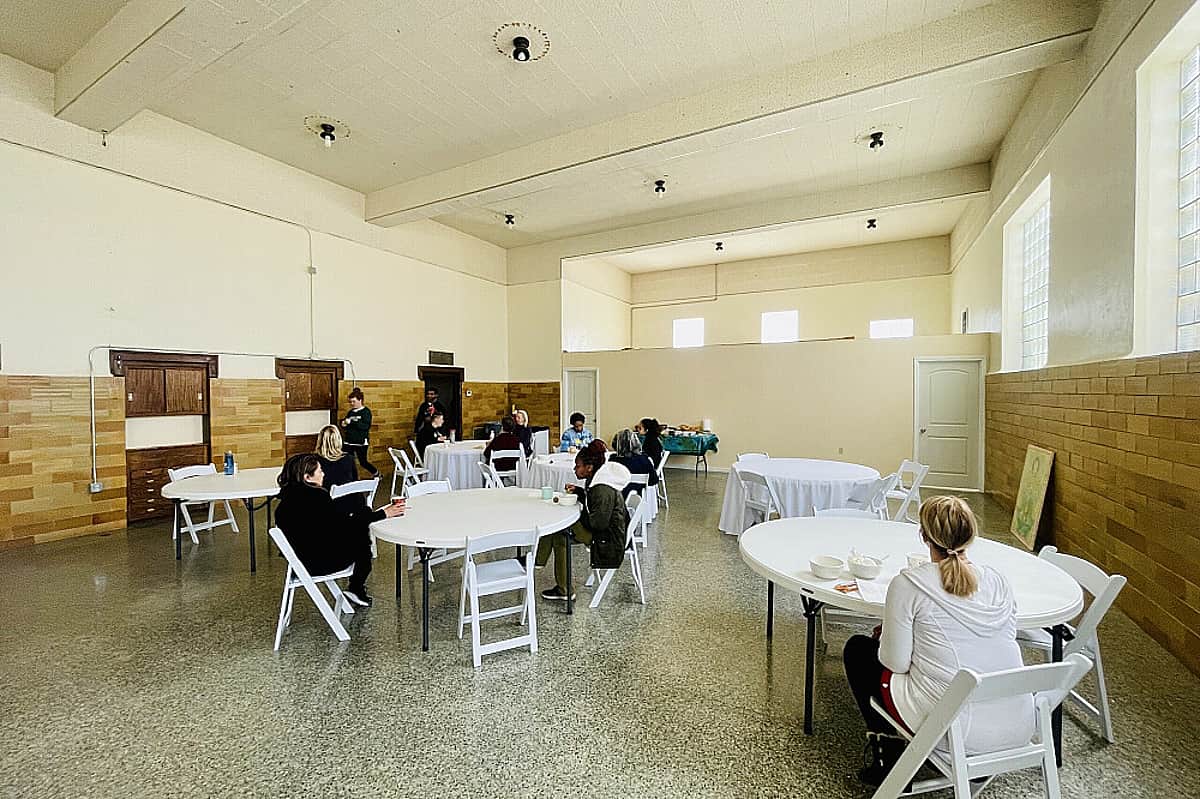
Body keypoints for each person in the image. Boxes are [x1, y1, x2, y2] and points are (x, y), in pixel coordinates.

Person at [842, 496, 1031, 787]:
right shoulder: (998, 581)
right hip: (1016, 725)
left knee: (859, 651)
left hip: (954, 729)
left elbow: (895, 663)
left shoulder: (908, 584)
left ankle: (887, 754)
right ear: (971, 536)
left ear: (924, 536)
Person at [273, 453, 404, 607]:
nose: (323, 474)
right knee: (360, 535)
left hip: (300, 562)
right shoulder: (317, 497)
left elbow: (332, 526)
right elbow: (344, 526)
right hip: (319, 563)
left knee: (358, 523)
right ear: (307, 477)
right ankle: (356, 587)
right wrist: (382, 514)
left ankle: (356, 588)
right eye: (320, 471)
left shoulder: (283, 505)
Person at [535, 440, 630, 601]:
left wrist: (578, 515)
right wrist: (580, 492)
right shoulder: (598, 479)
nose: (574, 469)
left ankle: (539, 563)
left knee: (560, 525)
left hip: (607, 540)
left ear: (589, 467)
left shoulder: (602, 489)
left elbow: (597, 524)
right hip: (606, 532)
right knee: (559, 533)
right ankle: (559, 583)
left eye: (578, 466)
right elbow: (594, 508)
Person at [608, 428, 658, 498]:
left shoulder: (612, 460)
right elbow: (654, 480)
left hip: (617, 496)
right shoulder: (643, 459)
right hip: (637, 497)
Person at [339, 387, 378, 477]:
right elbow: (347, 424)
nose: (352, 404)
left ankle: (376, 473)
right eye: (350, 402)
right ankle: (353, 479)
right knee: (348, 462)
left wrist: (352, 422)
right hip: (349, 442)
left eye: (354, 401)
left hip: (360, 442)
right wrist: (344, 424)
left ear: (360, 400)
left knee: (363, 462)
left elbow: (365, 426)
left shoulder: (366, 412)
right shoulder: (350, 412)